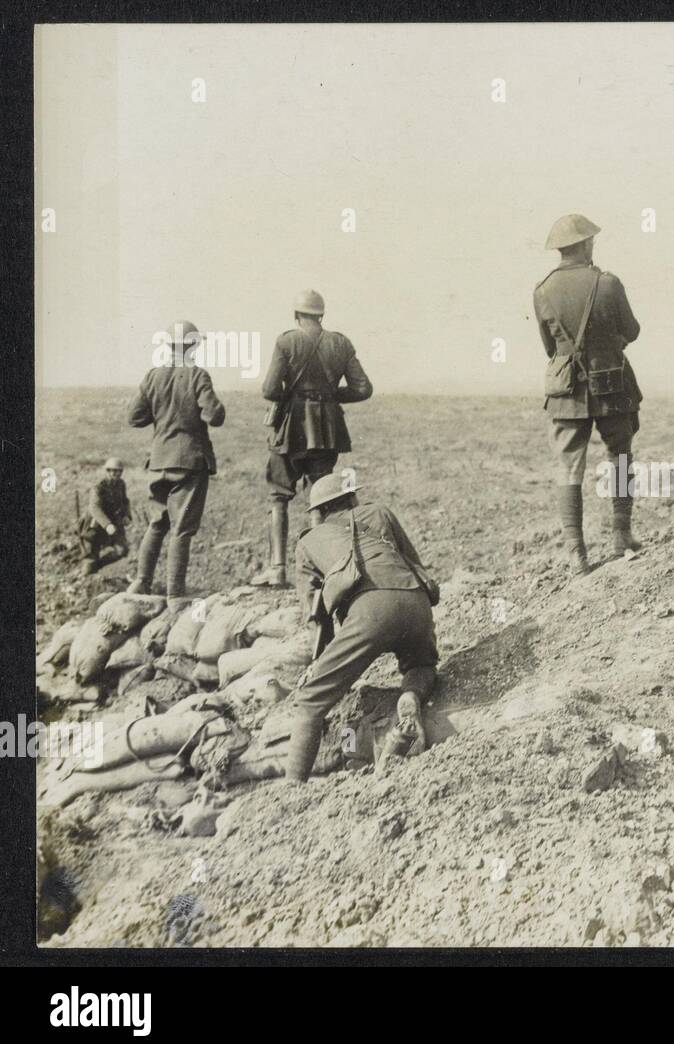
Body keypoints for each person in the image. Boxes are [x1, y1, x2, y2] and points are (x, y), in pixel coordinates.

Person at [282, 473, 440, 782]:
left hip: (370, 612)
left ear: (318, 512)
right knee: (421, 664)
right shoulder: (380, 512)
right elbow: (414, 564)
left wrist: (321, 666)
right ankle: (410, 696)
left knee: (311, 702)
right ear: (352, 498)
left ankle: (290, 786)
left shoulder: (308, 542)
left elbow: (316, 614)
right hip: (414, 600)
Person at [534, 213, 643, 573]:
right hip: (611, 383)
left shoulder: (542, 290)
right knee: (621, 457)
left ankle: (575, 555)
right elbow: (633, 329)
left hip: (565, 389)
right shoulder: (608, 283)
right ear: (583, 245)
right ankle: (621, 536)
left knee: (569, 469)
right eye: (591, 240)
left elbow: (551, 347)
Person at [252, 289, 373, 588]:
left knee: (279, 495)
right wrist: (330, 398)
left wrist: (293, 398)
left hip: (291, 429)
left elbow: (269, 390)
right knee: (320, 497)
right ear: (321, 315)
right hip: (327, 430)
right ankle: (322, 570)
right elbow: (362, 388)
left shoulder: (286, 341)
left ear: (296, 315)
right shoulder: (340, 343)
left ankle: (277, 569)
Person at [126, 321, 225, 607]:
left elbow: (134, 417)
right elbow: (214, 416)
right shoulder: (197, 375)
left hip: (158, 462)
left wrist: (161, 414)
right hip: (189, 462)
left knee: (157, 525)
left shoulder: (153, 376)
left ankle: (141, 582)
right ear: (193, 346)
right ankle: (175, 593)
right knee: (181, 528)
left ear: (169, 346)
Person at [78, 457, 131, 575]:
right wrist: (107, 525)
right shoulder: (98, 486)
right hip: (95, 525)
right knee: (90, 561)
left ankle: (97, 566)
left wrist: (126, 515)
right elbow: (94, 508)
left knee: (122, 550)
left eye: (118, 471)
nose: (116, 474)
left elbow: (125, 501)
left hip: (113, 522)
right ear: (107, 471)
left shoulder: (121, 484)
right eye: (112, 471)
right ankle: (85, 578)